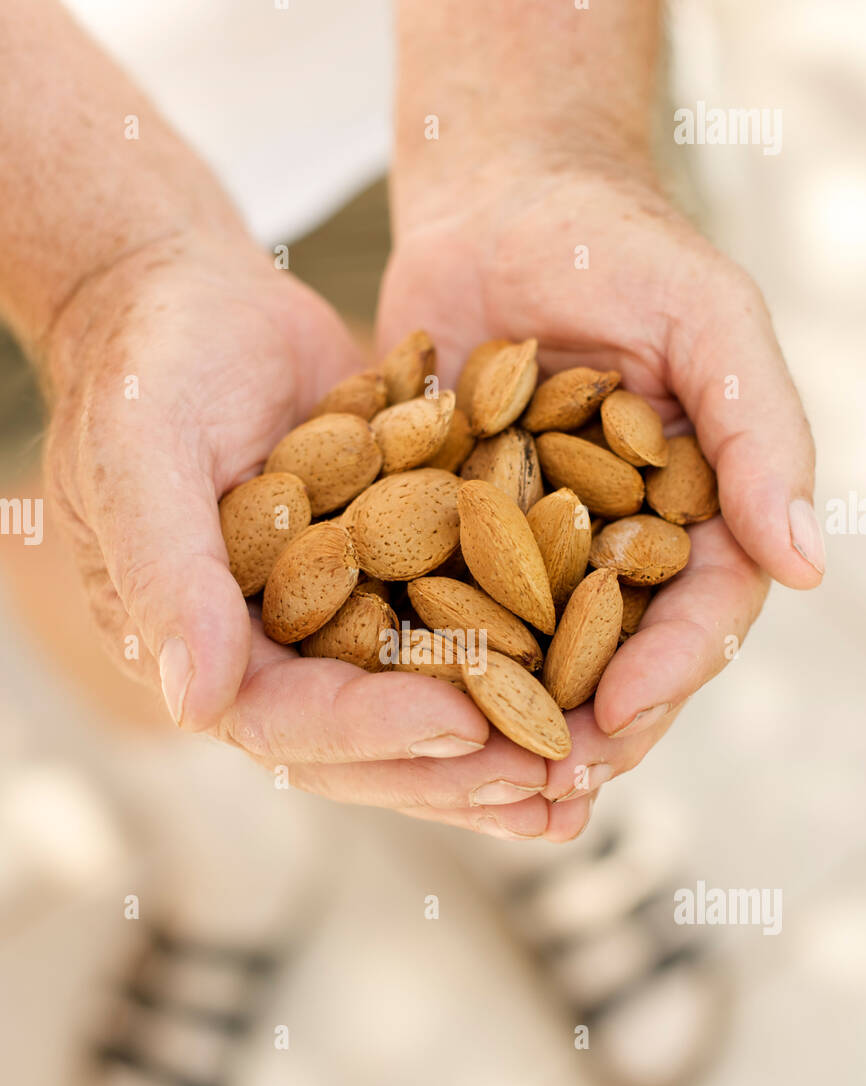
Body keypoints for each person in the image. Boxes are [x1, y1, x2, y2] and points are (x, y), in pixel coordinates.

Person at [0, 0, 822, 845]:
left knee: (479, 743)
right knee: (113, 561)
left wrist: (546, 144)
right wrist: (100, 278)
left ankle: (539, 838)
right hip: (30, 182)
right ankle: (231, 862)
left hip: (432, 89)